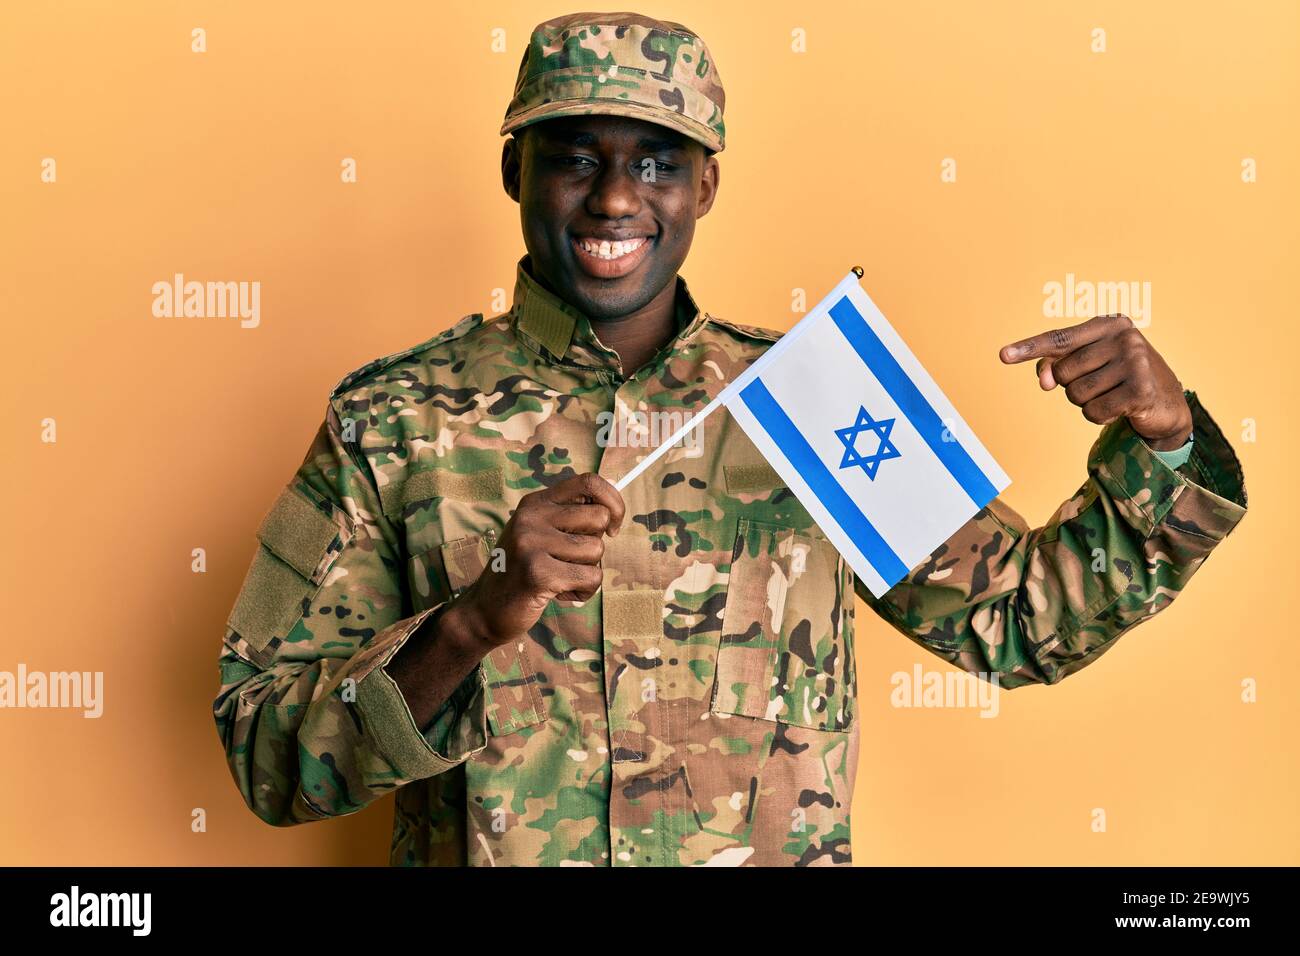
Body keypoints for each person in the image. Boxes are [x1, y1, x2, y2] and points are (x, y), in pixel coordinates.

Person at [213, 11, 1248, 866]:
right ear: (511, 170)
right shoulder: (393, 422)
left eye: (657, 163)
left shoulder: (811, 395)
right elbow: (269, 757)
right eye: (573, 158)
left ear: (703, 187)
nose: (614, 198)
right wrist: (470, 622)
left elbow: (1020, 624)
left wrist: (1158, 444)